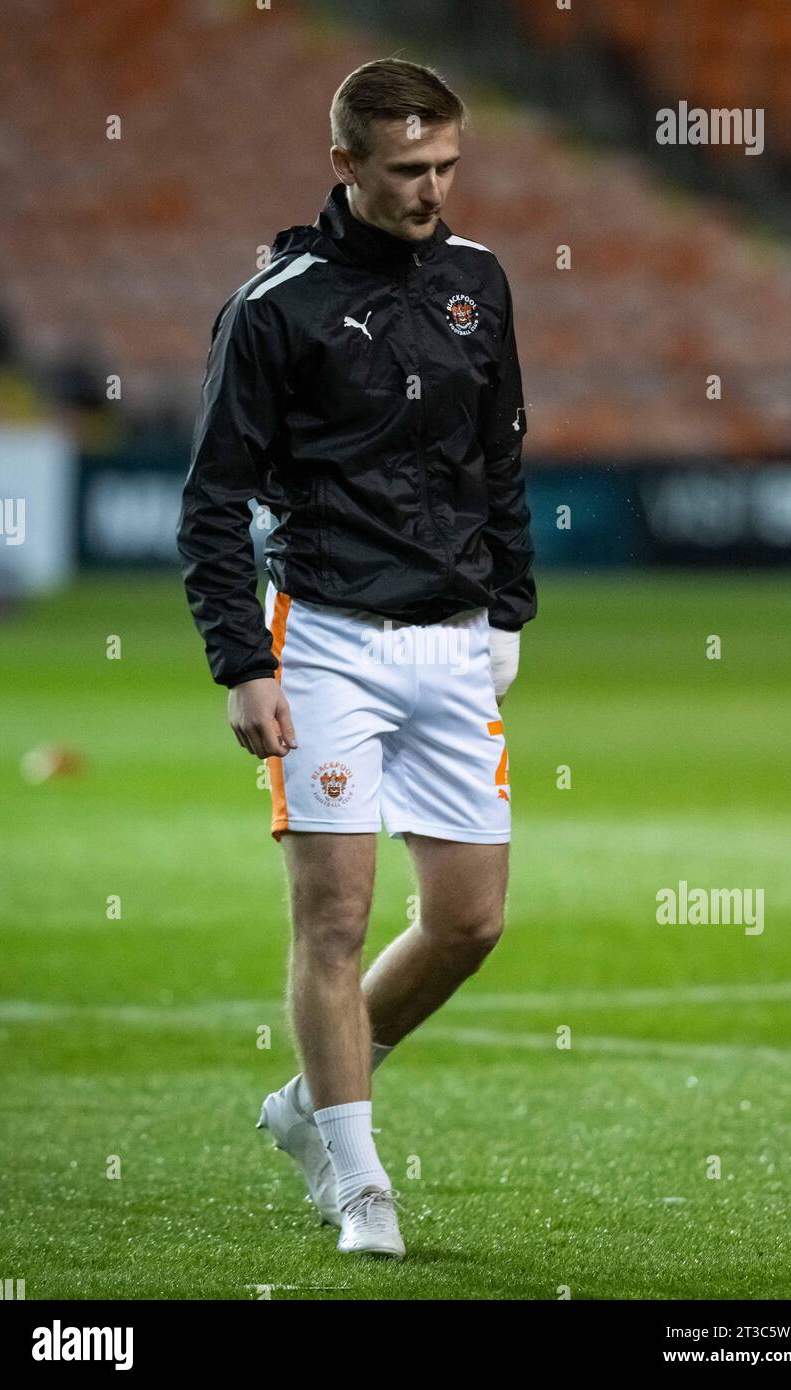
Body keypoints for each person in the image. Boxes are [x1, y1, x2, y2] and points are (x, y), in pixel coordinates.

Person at [177, 57, 536, 1259]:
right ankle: (357, 1172)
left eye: (445, 166)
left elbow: (502, 461)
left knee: (469, 921)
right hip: (322, 641)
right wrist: (244, 661)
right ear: (345, 165)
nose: (431, 190)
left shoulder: (477, 285)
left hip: (453, 642)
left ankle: (305, 1105)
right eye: (406, 171)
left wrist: (508, 617)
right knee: (333, 917)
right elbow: (211, 502)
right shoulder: (274, 305)